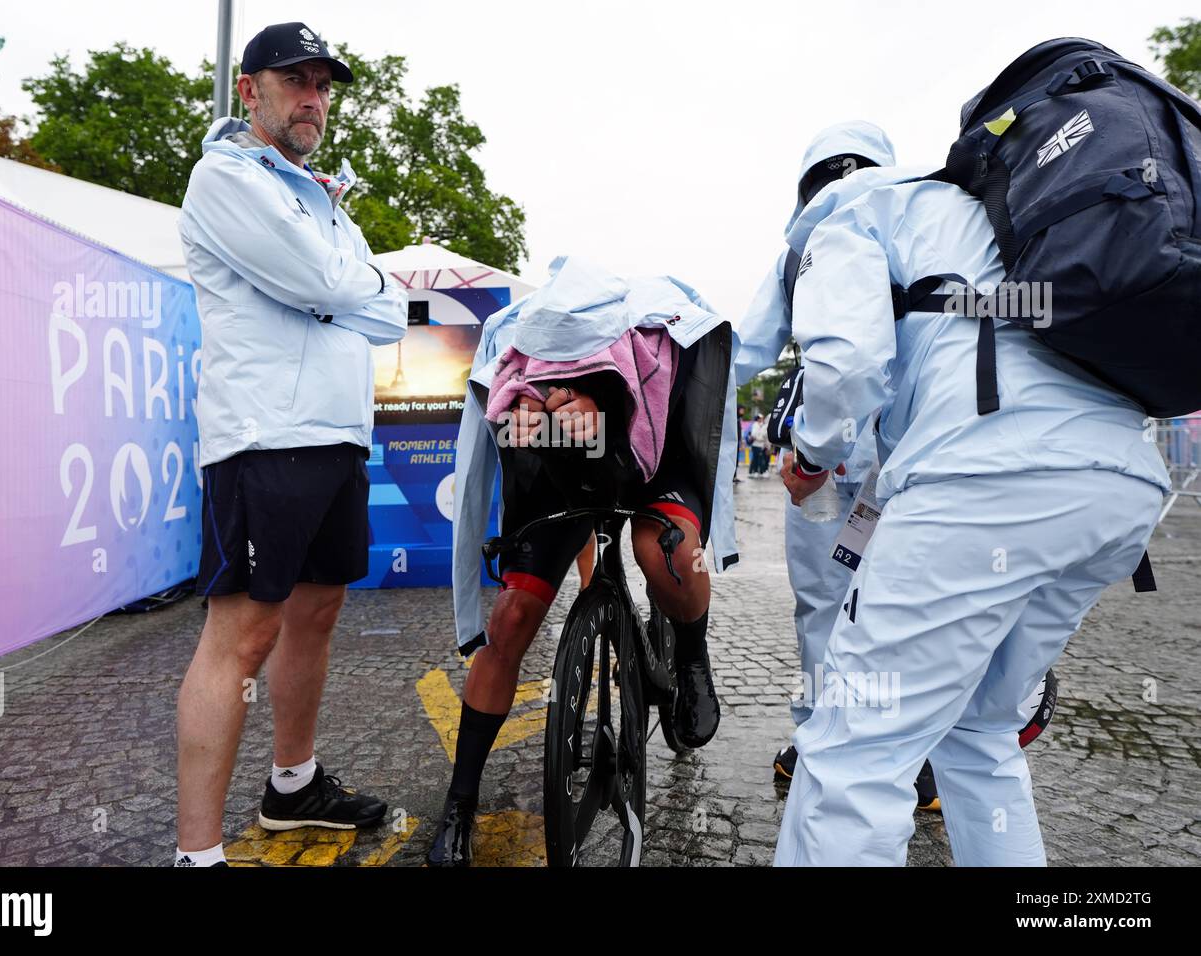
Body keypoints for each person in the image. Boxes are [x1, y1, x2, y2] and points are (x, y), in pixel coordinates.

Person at [772, 123, 1169, 866]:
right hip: (1122, 478)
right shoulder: (1004, 203)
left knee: (858, 750)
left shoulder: (851, 214)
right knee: (982, 734)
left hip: (985, 477)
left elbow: (845, 362)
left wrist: (814, 457)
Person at [172, 22, 407, 868]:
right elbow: (324, 285)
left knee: (316, 610)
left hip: (336, 432)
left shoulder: (317, 194)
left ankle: (293, 786)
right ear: (249, 90)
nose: (312, 97)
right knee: (242, 633)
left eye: (322, 84)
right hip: (265, 435)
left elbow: (377, 312)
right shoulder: (227, 176)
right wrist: (342, 291)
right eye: (293, 80)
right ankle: (196, 855)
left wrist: (344, 292)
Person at [430, 256, 740, 866]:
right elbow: (483, 463)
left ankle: (692, 655)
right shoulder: (513, 348)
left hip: (659, 458)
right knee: (512, 619)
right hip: (561, 477)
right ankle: (459, 801)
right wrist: (531, 424)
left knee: (666, 552)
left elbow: (704, 437)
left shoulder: (657, 337)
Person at [732, 122, 952, 805]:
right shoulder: (933, 222)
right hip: (925, 454)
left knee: (825, 607)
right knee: (927, 605)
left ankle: (818, 744)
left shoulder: (803, 252)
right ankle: (925, 757)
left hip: (831, 464)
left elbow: (744, 350)